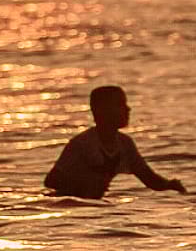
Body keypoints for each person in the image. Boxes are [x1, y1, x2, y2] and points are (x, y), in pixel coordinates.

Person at [44, 85, 187, 198]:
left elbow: (150, 180)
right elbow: (51, 181)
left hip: (94, 205)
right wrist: (82, 185)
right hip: (72, 206)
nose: (128, 109)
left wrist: (172, 186)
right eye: (120, 104)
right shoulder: (83, 143)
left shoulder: (125, 144)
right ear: (101, 111)